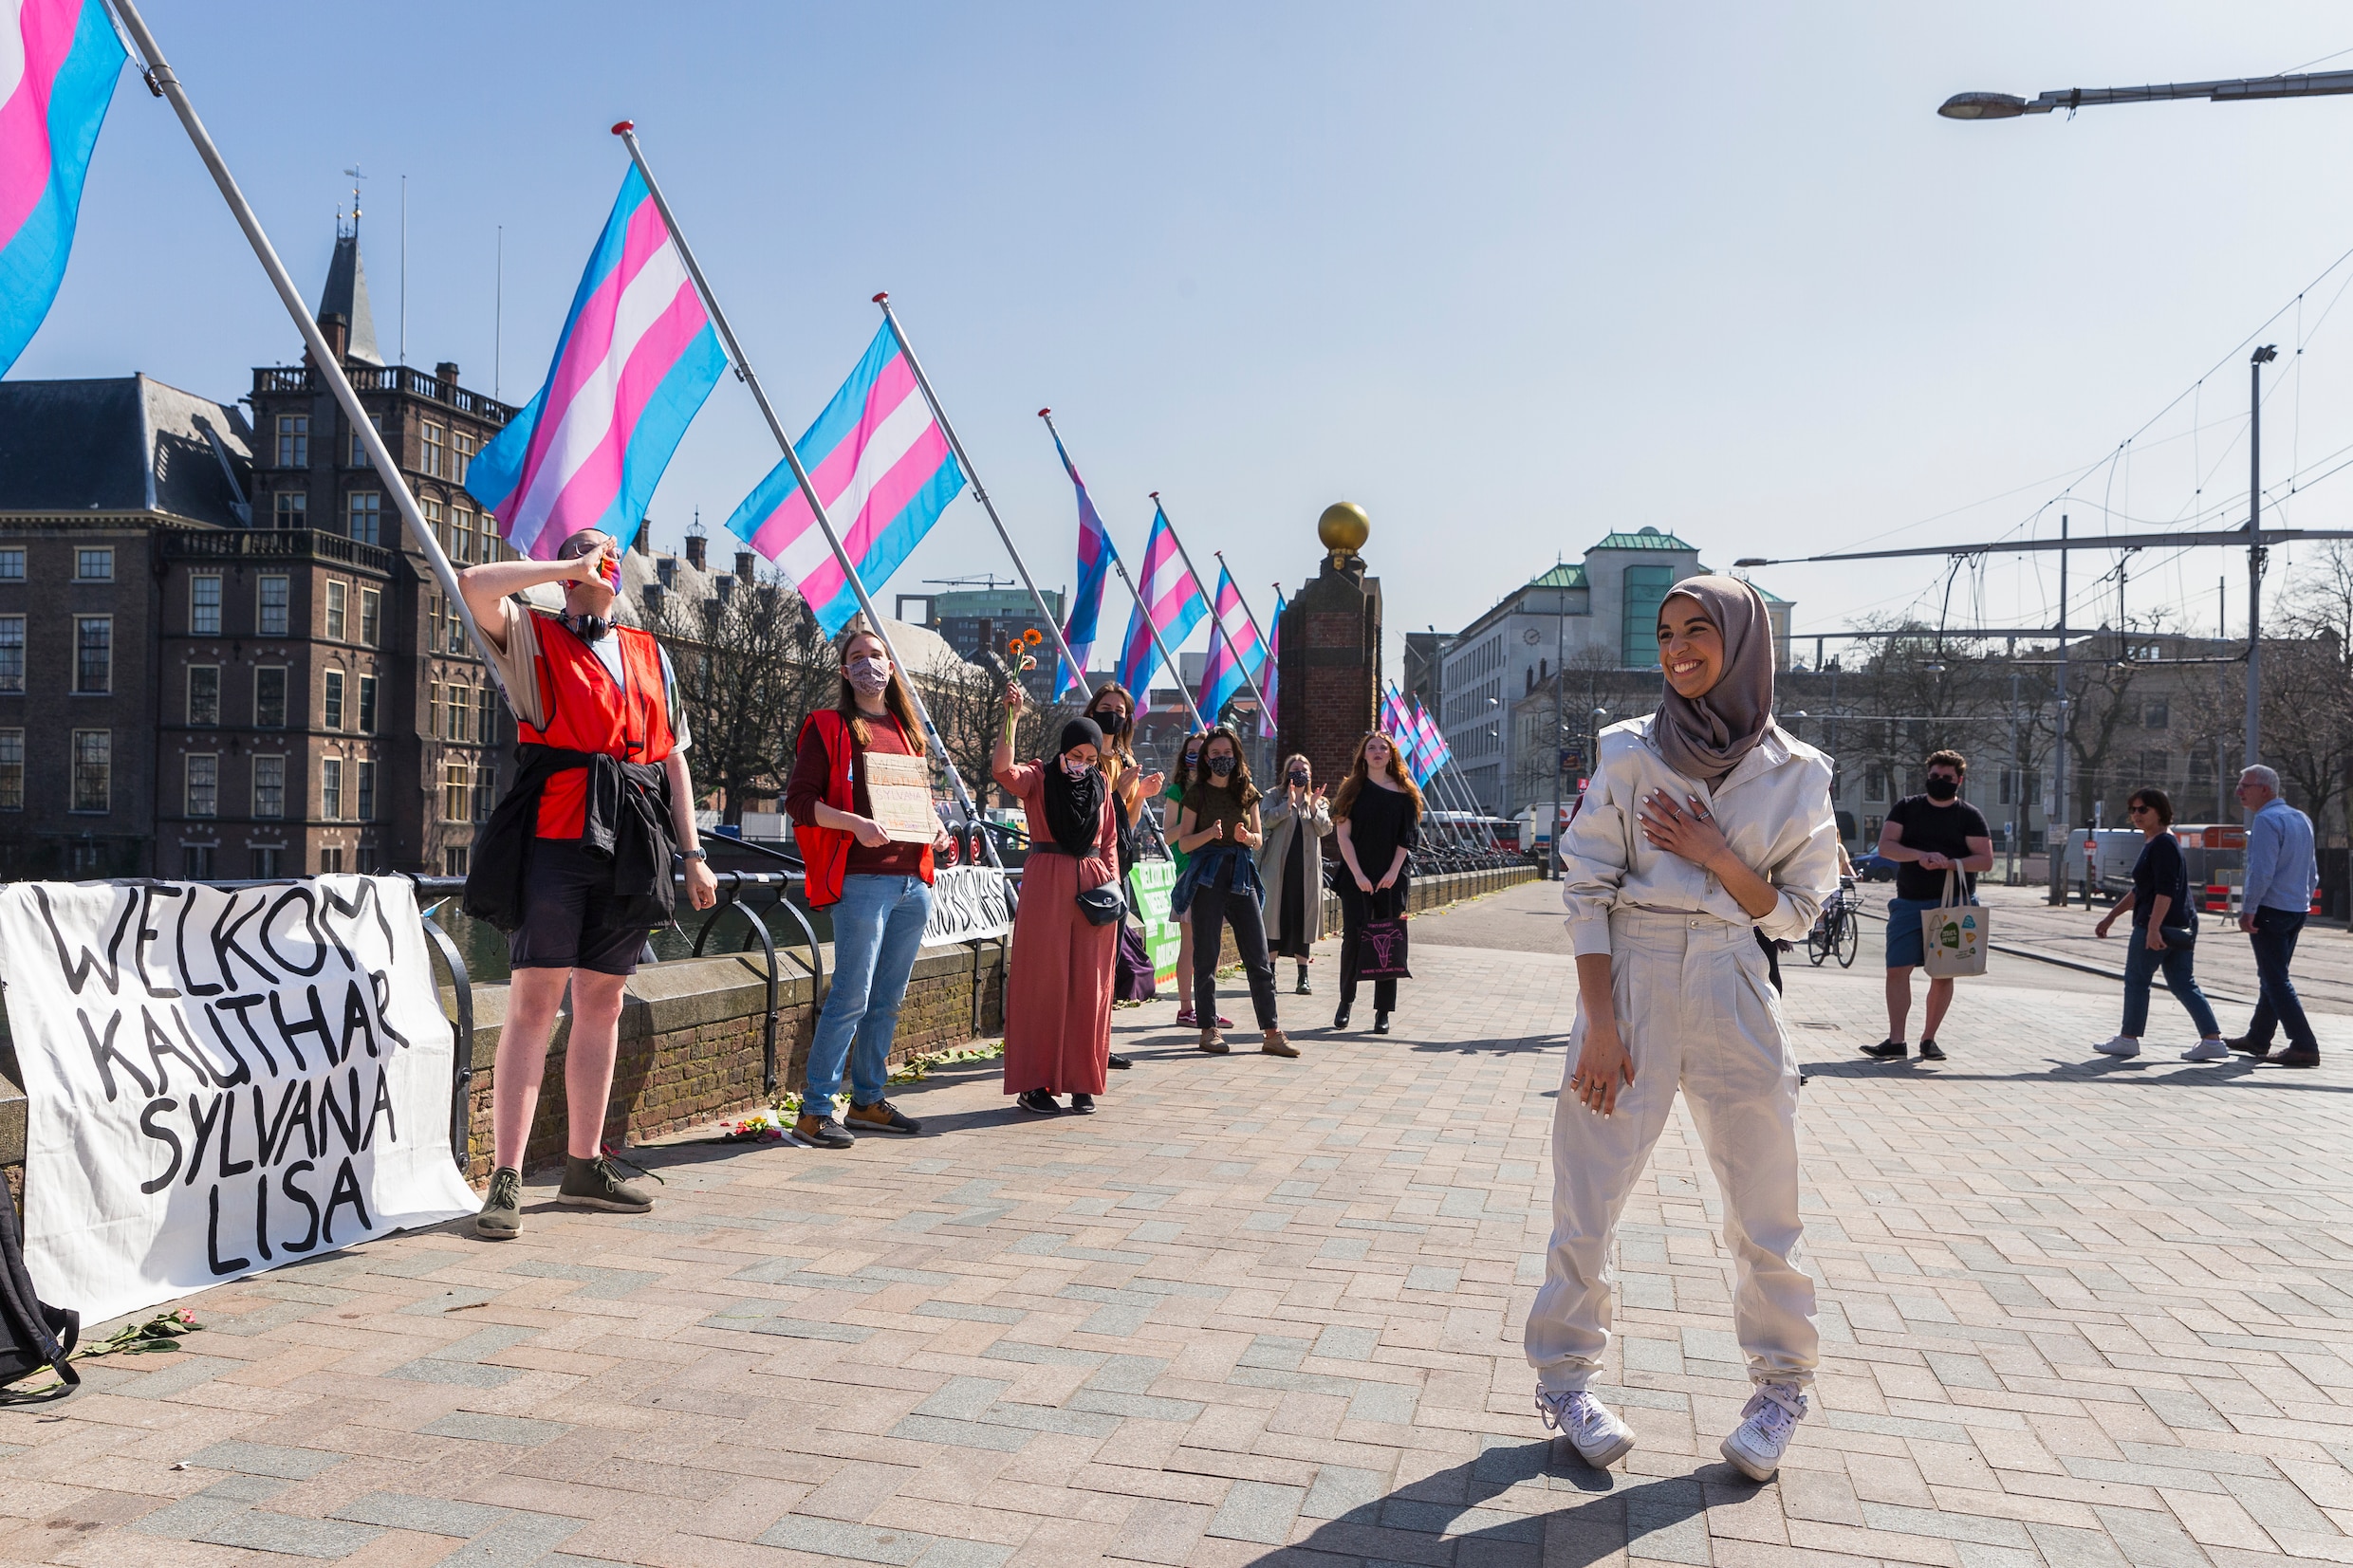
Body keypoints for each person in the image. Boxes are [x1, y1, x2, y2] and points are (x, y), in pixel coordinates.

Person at [1526, 575, 1838, 1483]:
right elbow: (1583, 888)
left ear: (1743, 641)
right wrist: (1600, 1026)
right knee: (1589, 1190)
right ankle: (1565, 1378)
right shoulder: (1628, 751)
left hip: (1737, 979)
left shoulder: (1798, 770)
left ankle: (1781, 1389)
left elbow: (1797, 913)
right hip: (1630, 975)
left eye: (1700, 631)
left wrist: (1715, 855)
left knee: (1764, 1205)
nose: (1679, 649)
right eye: (1666, 633)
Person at [455, 528, 719, 1241]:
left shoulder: (650, 651)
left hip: (634, 836)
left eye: (595, 552)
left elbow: (673, 760)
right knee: (534, 997)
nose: (581, 561)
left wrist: (692, 853)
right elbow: (474, 582)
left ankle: (582, 1163)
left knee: (603, 998)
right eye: (573, 552)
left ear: (619, 571)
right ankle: (505, 1175)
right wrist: (560, 567)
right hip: (558, 829)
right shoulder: (531, 634)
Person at [783, 625, 960, 1150]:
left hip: (913, 880)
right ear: (844, 671)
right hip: (862, 880)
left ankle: (865, 1100)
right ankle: (815, 1111)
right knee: (852, 996)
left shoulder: (907, 732)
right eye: (856, 657)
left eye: (876, 655)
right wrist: (853, 824)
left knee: (887, 999)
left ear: (890, 665)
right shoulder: (829, 726)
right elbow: (798, 801)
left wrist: (938, 829)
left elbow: (916, 801)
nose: (867, 663)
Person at [993, 688, 1119, 1113]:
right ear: (1063, 750)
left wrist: (1113, 889)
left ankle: (1083, 1078)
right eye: (1076, 753)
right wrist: (1011, 718)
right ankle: (1036, 1083)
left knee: (1090, 986)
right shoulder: (1039, 777)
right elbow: (1002, 771)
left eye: (1090, 755)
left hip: (1093, 888)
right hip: (1047, 881)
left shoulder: (1101, 784)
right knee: (1042, 983)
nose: (1082, 762)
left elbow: (1110, 842)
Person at [1862, 750, 1993, 1061]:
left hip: (1954, 905)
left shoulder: (1969, 815)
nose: (1940, 782)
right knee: (1897, 969)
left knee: (1943, 971)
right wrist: (1919, 856)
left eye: (1947, 778)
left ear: (1959, 780)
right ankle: (1896, 1040)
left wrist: (1949, 863)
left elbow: (1985, 860)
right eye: (1935, 776)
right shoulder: (1907, 808)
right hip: (1909, 901)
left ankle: (1929, 1039)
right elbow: (1887, 846)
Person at [1172, 727, 1292, 1057]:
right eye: (1215, 755)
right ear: (1206, 759)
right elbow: (1183, 842)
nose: (1221, 759)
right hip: (1208, 875)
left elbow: (1259, 837)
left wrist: (1246, 838)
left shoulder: (1247, 791)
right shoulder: (1197, 793)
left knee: (1257, 954)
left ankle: (1272, 1032)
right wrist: (1210, 833)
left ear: (1236, 757)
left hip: (1241, 874)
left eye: (1227, 754)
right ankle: (1208, 1029)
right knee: (1206, 956)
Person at [2088, 788, 2228, 1061]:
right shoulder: (2159, 842)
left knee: (2137, 980)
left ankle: (2128, 1038)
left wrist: (2153, 928)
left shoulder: (2162, 843)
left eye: (2143, 809)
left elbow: (2165, 890)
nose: (2136, 815)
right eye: (2133, 810)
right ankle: (2212, 1040)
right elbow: (2142, 889)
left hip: (2159, 924)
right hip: (2181, 923)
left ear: (2160, 811)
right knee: (2182, 982)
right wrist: (2111, 916)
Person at [1082, 683, 1159, 1068]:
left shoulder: (1126, 758)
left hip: (1119, 866)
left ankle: (1100, 1040)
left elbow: (1124, 825)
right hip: (1090, 865)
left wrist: (1140, 795)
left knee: (1109, 960)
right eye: (1105, 705)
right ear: (1093, 709)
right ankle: (1081, 1040)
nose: (1113, 713)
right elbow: (1088, 813)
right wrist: (1117, 791)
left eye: (1120, 709)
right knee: (1087, 958)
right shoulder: (1085, 755)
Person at [2228, 766, 2322, 1067]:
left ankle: (2303, 1044)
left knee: (2275, 978)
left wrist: (2249, 909)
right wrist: (2303, 900)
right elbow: (2312, 871)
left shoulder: (2266, 820)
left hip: (2271, 909)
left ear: (2265, 789)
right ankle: (2258, 1037)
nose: (2239, 791)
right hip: (2296, 908)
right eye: (2239, 785)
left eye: (2245, 786)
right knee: (2272, 974)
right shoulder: (2300, 818)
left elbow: (2261, 871)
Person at [1331, 730, 1423, 1034]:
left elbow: (1406, 839)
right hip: (1356, 875)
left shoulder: (1406, 792)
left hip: (1392, 876)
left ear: (1392, 754)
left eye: (1383, 747)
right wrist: (1357, 874)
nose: (1377, 752)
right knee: (1354, 939)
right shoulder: (1352, 789)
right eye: (1371, 747)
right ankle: (1346, 1002)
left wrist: (1393, 872)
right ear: (1363, 755)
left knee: (1389, 940)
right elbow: (1342, 835)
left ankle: (1382, 1011)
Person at [1161, 731, 1230, 1031]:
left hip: (1218, 870)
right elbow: (1169, 836)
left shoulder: (1219, 788)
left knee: (1212, 944)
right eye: (1191, 751)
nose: (1196, 756)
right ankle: (1185, 1008)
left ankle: (1207, 1007)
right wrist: (1192, 823)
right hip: (1190, 870)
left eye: (1201, 751)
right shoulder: (1177, 791)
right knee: (1190, 944)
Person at [1257, 754, 1332, 994]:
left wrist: (1312, 807)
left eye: (1303, 769)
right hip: (1278, 870)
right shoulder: (1272, 796)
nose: (1299, 772)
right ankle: (1270, 974)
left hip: (1306, 873)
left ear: (1310, 774)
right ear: (1286, 773)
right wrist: (1286, 805)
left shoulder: (1319, 801)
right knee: (1274, 919)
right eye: (1294, 768)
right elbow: (1264, 821)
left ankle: (1303, 976)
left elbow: (1326, 829)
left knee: (1304, 920)